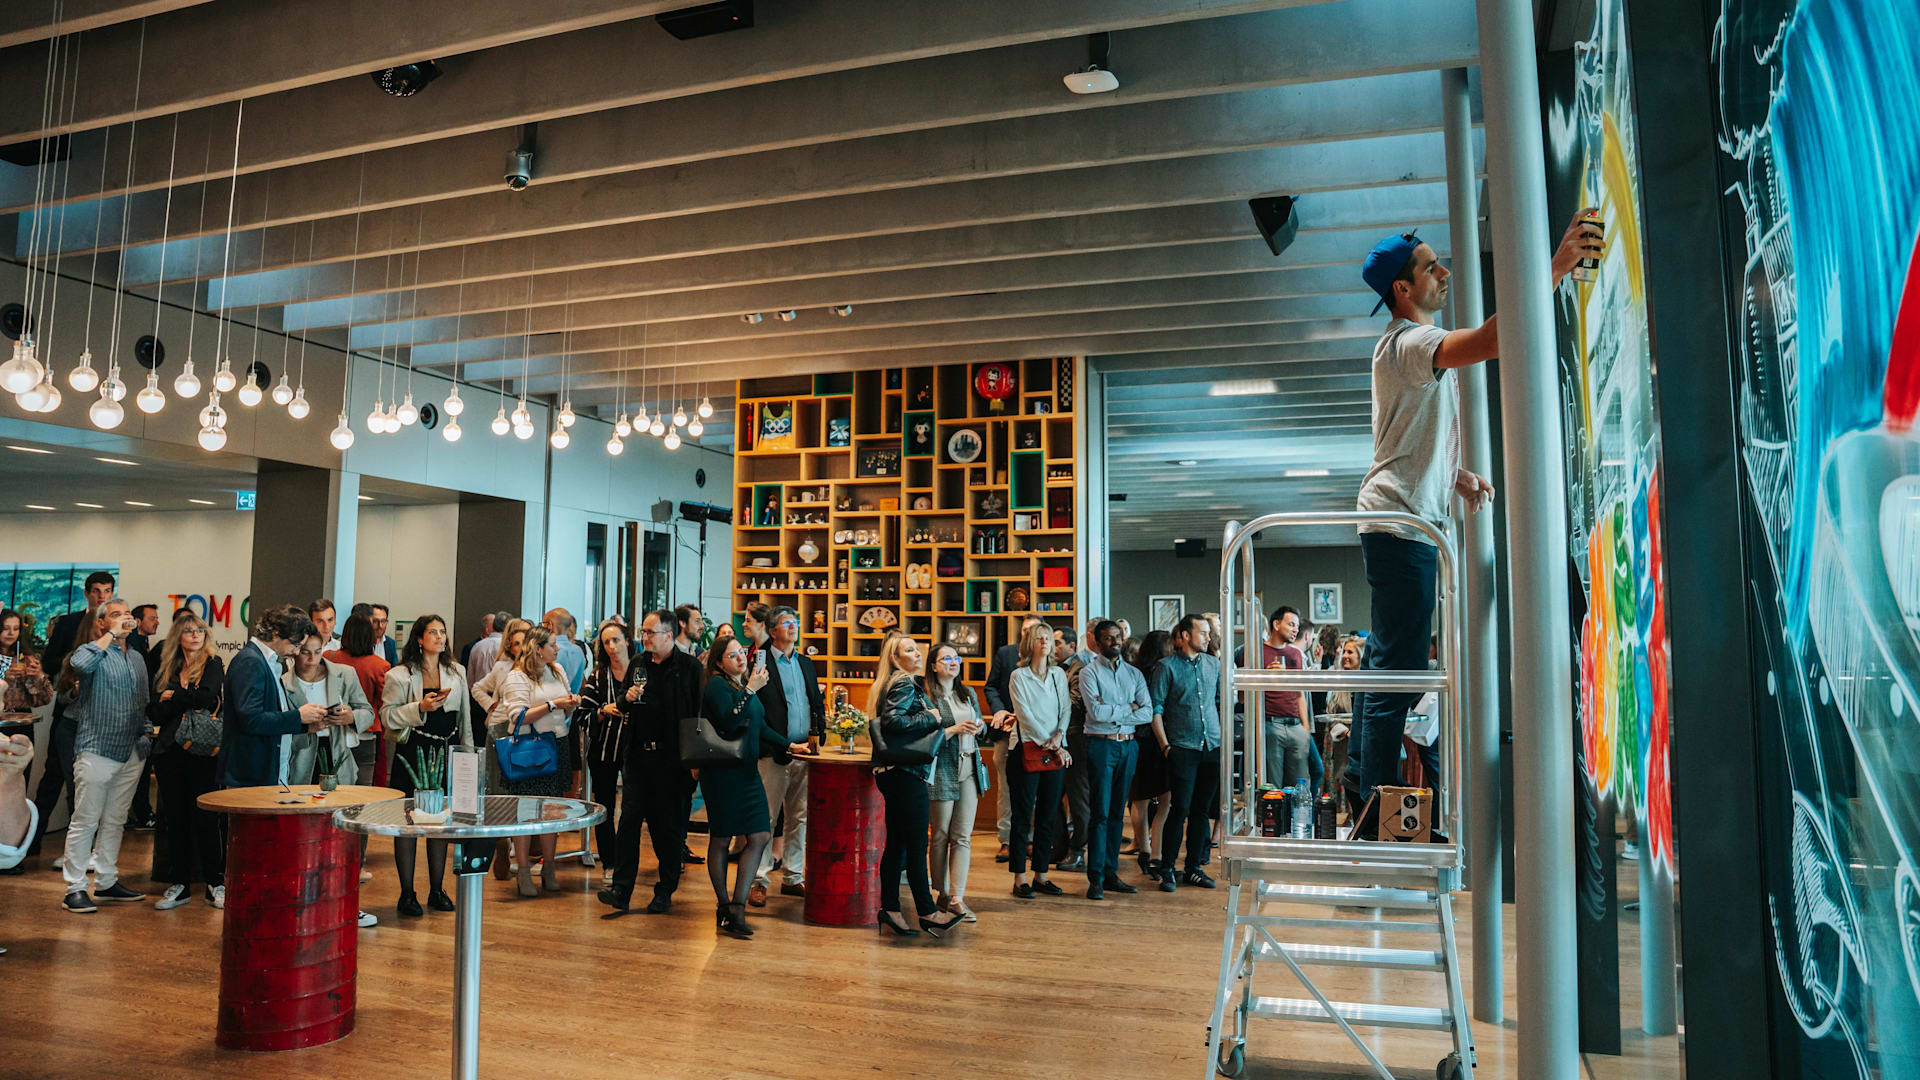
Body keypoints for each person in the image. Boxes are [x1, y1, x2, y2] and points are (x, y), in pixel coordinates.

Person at [1351, 216, 1595, 826]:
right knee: (1397, 676)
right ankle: (1373, 809)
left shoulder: (1410, 351)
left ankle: (1369, 798)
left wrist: (1452, 473)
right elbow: (1492, 340)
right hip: (1399, 525)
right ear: (1402, 291)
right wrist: (1556, 265)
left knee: (1397, 670)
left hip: (1407, 520)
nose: (1444, 272)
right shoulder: (1409, 343)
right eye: (1431, 267)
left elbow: (1408, 436)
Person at [599, 609, 702, 915]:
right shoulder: (639, 664)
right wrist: (626, 699)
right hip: (638, 757)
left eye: (650, 633)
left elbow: (696, 714)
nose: (644, 638)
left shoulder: (689, 668)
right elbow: (622, 703)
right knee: (628, 823)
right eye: (642, 632)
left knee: (665, 830)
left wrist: (694, 761)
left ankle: (665, 889)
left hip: (672, 761)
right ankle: (621, 889)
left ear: (669, 636)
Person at [698, 635, 800, 939]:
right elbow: (731, 722)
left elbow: (760, 726)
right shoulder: (718, 685)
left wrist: (791, 744)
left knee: (759, 835)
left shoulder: (742, 686)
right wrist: (751, 688)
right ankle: (725, 904)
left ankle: (737, 907)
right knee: (721, 839)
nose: (741, 659)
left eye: (742, 653)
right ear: (719, 662)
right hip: (721, 773)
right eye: (732, 656)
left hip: (746, 772)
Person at [868, 635, 969, 937]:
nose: (917, 653)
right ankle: (927, 911)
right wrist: (931, 715)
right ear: (896, 658)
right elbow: (893, 723)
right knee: (915, 844)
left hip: (895, 772)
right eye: (909, 650)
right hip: (904, 771)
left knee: (898, 844)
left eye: (916, 648)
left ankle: (891, 910)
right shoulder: (903, 682)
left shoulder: (896, 682)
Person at [58, 598, 151, 913]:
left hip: (132, 750)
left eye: (126, 614)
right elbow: (79, 666)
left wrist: (146, 731)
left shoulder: (137, 657)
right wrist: (110, 634)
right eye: (115, 614)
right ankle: (74, 888)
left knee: (116, 820)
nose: (124, 618)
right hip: (97, 748)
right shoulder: (90, 652)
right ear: (101, 623)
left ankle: (108, 881)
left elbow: (143, 700)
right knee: (85, 820)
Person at [381, 614, 474, 916]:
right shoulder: (400, 674)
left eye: (442, 631)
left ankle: (438, 889)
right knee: (407, 824)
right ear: (419, 639)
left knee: (441, 823)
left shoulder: (457, 671)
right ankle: (407, 893)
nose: (439, 636)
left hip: (446, 749)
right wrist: (419, 707)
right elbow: (386, 717)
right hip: (413, 751)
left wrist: (467, 755)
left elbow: (465, 720)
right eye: (432, 632)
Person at [30, 569, 116, 855]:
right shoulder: (69, 623)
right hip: (69, 711)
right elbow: (50, 661)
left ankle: (82, 850)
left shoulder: (119, 628)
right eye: (97, 591)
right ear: (87, 593)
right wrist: (73, 667)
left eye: (107, 591)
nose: (102, 596)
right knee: (56, 778)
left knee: (89, 784)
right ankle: (32, 841)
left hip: (101, 719)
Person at [494, 626, 582, 897]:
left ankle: (549, 867)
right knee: (526, 812)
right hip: (528, 750)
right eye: (553, 645)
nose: (557, 649)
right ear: (538, 648)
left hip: (557, 743)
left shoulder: (556, 670)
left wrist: (570, 703)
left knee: (552, 810)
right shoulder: (517, 677)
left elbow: (564, 701)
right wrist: (553, 705)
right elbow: (517, 716)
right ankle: (522, 870)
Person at [149, 614, 226, 911]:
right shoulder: (167, 666)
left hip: (204, 752)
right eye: (188, 631)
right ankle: (178, 883)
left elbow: (205, 698)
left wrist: (175, 697)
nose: (195, 636)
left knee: (207, 818)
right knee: (175, 819)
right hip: (169, 751)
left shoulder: (213, 663)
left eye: (200, 631)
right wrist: (183, 698)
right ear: (178, 636)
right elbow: (154, 712)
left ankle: (215, 882)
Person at [748, 605, 821, 907]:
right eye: (787, 623)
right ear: (773, 630)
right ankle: (758, 879)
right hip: (773, 753)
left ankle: (792, 876)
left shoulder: (805, 663)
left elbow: (815, 700)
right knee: (766, 816)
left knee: (799, 817)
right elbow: (756, 712)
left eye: (796, 622)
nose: (793, 627)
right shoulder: (761, 663)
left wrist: (819, 735)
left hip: (805, 752)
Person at [1077, 619, 1152, 900]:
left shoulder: (1134, 674)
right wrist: (1128, 708)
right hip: (1101, 746)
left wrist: (1116, 711)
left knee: (1118, 814)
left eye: (1118, 637)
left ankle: (1111, 872)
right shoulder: (1089, 673)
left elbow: (1146, 712)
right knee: (1100, 813)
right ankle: (1095, 877)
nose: (1115, 642)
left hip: (1128, 747)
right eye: (1108, 638)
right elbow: (1096, 713)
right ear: (1097, 642)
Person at [221, 604, 330, 791]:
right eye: (295, 645)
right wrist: (298, 716)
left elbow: (269, 716)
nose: (296, 652)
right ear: (276, 633)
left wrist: (305, 725)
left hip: (265, 772)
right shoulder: (250, 661)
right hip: (251, 775)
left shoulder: (268, 662)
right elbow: (251, 720)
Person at [1149, 615, 1221, 893]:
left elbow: (1218, 704)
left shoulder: (1214, 665)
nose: (1207, 638)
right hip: (1181, 747)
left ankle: (1193, 867)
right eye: (1202, 633)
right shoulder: (1166, 667)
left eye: (1208, 633)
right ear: (1185, 635)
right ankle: (1167, 868)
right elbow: (1156, 709)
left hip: (1211, 746)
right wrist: (1166, 746)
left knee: (1202, 811)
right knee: (1180, 810)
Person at [926, 642, 996, 921]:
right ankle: (940, 891)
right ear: (934, 666)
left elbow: (982, 726)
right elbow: (927, 736)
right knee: (940, 834)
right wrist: (954, 729)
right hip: (942, 768)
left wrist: (981, 726)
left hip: (969, 767)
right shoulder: (927, 697)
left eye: (956, 658)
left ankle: (957, 897)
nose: (953, 662)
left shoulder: (966, 693)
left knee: (963, 836)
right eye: (946, 658)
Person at [1005, 620, 1071, 900]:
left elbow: (1065, 708)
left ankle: (1041, 874)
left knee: (1049, 815)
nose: (1045, 642)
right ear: (1029, 644)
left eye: (1048, 638)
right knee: (1022, 816)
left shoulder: (1058, 674)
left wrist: (1059, 737)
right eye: (1039, 638)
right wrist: (1052, 743)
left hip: (1055, 748)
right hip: (1027, 749)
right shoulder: (1018, 676)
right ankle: (1020, 878)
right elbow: (1025, 716)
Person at [281, 629, 375, 786]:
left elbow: (368, 713)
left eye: (318, 652)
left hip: (338, 756)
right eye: (305, 652)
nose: (312, 659)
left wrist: (351, 717)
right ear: (294, 652)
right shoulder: (283, 684)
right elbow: (280, 732)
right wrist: (306, 728)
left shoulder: (345, 674)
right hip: (301, 761)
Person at [579, 619, 635, 878]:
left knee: (634, 809)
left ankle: (627, 862)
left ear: (627, 641)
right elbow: (583, 713)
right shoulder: (599, 675)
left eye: (616, 640)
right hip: (604, 750)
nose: (612, 646)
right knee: (604, 808)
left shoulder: (641, 671)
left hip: (636, 749)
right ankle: (609, 863)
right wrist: (603, 710)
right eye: (606, 642)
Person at [983, 614, 1040, 863]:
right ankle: (1006, 840)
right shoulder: (1006, 654)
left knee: (1036, 789)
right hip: (1007, 730)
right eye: (1025, 630)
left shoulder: (1046, 657)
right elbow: (991, 686)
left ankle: (1031, 839)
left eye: (1034, 630)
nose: (1028, 634)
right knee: (1006, 787)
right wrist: (998, 710)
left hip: (1038, 733)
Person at [326, 612, 392, 788]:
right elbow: (383, 701)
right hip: (366, 731)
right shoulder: (380, 665)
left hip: (332, 729)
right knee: (362, 788)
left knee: (331, 783)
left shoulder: (328, 658)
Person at [1127, 630, 1174, 876]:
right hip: (1159, 739)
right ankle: (1156, 852)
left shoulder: (1135, 672)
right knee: (1165, 799)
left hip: (1138, 739)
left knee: (1140, 799)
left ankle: (1144, 849)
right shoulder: (1164, 671)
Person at [1258, 606, 1319, 793]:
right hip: (1270, 725)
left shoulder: (1295, 654)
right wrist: (1264, 676)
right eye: (1291, 624)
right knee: (1272, 788)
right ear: (1276, 624)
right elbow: (1244, 698)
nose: (1295, 630)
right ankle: (1273, 823)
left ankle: (1298, 822)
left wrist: (1306, 728)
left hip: (1296, 727)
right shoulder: (1258, 652)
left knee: (1301, 787)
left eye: (1297, 626)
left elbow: (1299, 693)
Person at [1, 608, 54, 714]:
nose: (11, 633)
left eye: (16, 629)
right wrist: (4, 679)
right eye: (6, 628)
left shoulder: (27, 659)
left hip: (21, 718)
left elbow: (45, 699)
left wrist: (38, 677)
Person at [543, 608, 586, 694]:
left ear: (550, 625)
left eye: (543, 624)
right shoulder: (579, 651)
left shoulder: (546, 649)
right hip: (571, 702)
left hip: (548, 704)